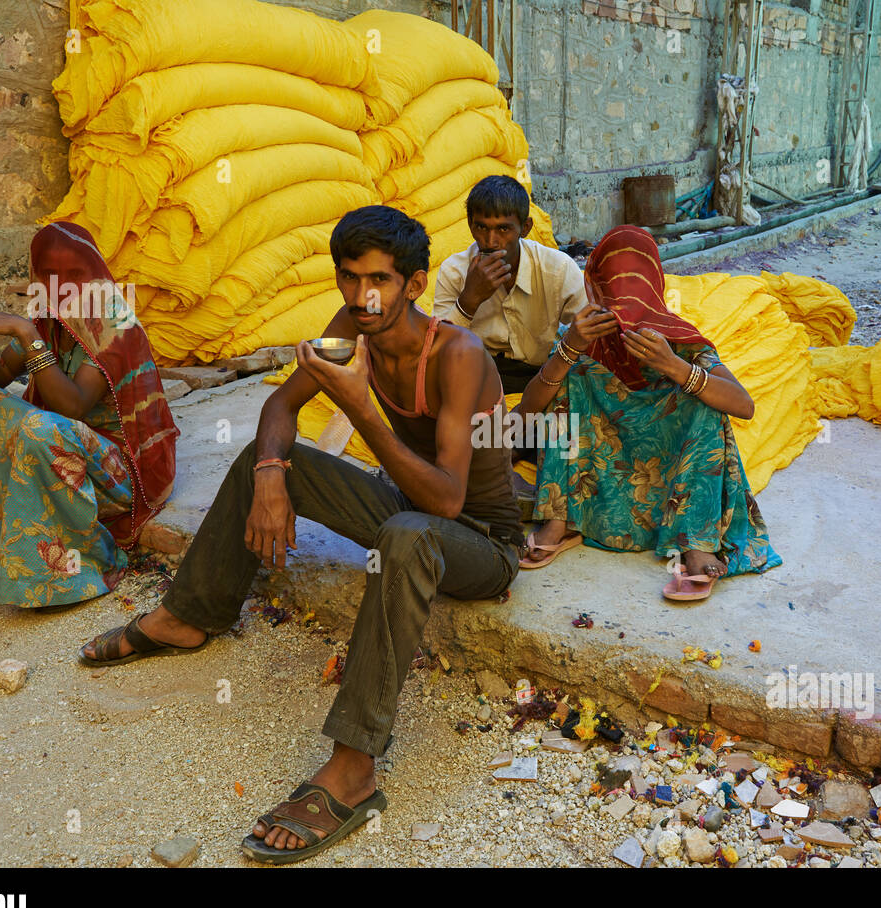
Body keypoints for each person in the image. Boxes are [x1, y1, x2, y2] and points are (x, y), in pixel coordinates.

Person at [77, 206, 523, 864]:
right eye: (349, 277)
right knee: (267, 456)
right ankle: (189, 613)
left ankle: (353, 767)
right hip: (407, 506)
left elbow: (447, 499)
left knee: (405, 531)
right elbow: (280, 406)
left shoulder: (459, 356)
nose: (362, 297)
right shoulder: (351, 327)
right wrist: (269, 476)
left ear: (416, 284)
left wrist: (360, 405)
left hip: (477, 540)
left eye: (379, 280)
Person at [0, 222, 178, 607]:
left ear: (95, 274)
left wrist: (24, 333)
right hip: (60, 449)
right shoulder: (48, 322)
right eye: (51, 276)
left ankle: (69, 564)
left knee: (40, 426)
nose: (65, 286)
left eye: (75, 275)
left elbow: (71, 406)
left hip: (118, 472)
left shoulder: (115, 327)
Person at [515, 225, 781, 600]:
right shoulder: (584, 334)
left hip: (666, 467)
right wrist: (570, 348)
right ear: (598, 290)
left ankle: (695, 545)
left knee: (705, 401)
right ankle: (559, 520)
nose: (626, 302)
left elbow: (744, 406)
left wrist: (674, 366)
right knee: (572, 376)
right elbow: (528, 411)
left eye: (634, 287)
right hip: (602, 469)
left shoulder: (678, 338)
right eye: (615, 289)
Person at [432, 175, 587, 395]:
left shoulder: (557, 268)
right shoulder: (455, 271)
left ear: (525, 228)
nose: (490, 241)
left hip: (541, 376)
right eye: (481, 227)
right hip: (476, 377)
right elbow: (436, 351)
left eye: (503, 229)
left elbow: (588, 330)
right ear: (470, 225)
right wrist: (469, 301)